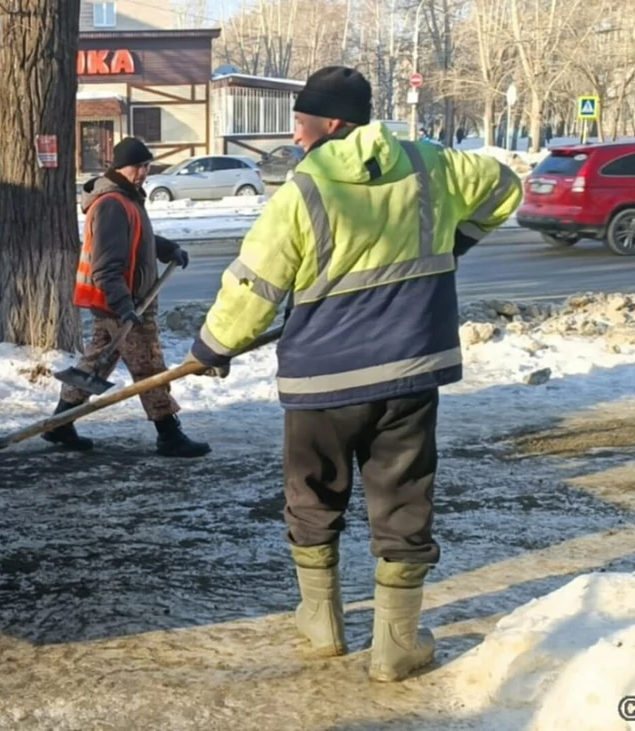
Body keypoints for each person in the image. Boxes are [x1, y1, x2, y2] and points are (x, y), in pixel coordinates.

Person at [186, 66, 523, 681]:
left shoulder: (306, 191)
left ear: (332, 122)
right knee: (403, 500)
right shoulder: (431, 166)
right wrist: (454, 240)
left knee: (312, 496)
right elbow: (504, 186)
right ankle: (395, 648)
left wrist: (214, 345)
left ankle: (321, 627)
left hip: (323, 382)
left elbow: (254, 282)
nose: (295, 130)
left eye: (302, 118)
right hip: (409, 373)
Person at [42, 137, 211, 459]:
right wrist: (124, 307)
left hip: (121, 301)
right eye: (138, 166)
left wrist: (167, 249)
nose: (144, 172)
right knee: (149, 366)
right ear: (120, 167)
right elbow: (107, 266)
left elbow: (139, 238)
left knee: (96, 364)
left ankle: (60, 423)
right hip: (124, 303)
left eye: (147, 166)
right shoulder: (112, 204)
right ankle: (169, 434)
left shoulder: (127, 199)